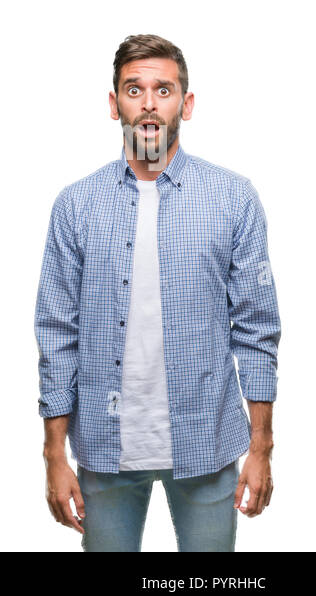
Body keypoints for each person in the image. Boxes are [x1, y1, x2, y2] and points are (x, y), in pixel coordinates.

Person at [36, 34, 279, 552]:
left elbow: (258, 328)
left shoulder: (233, 198)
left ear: (185, 105)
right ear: (113, 103)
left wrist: (262, 446)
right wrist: (54, 456)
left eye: (163, 90)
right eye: (134, 89)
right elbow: (57, 335)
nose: (148, 103)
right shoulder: (75, 206)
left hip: (208, 446)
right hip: (105, 449)